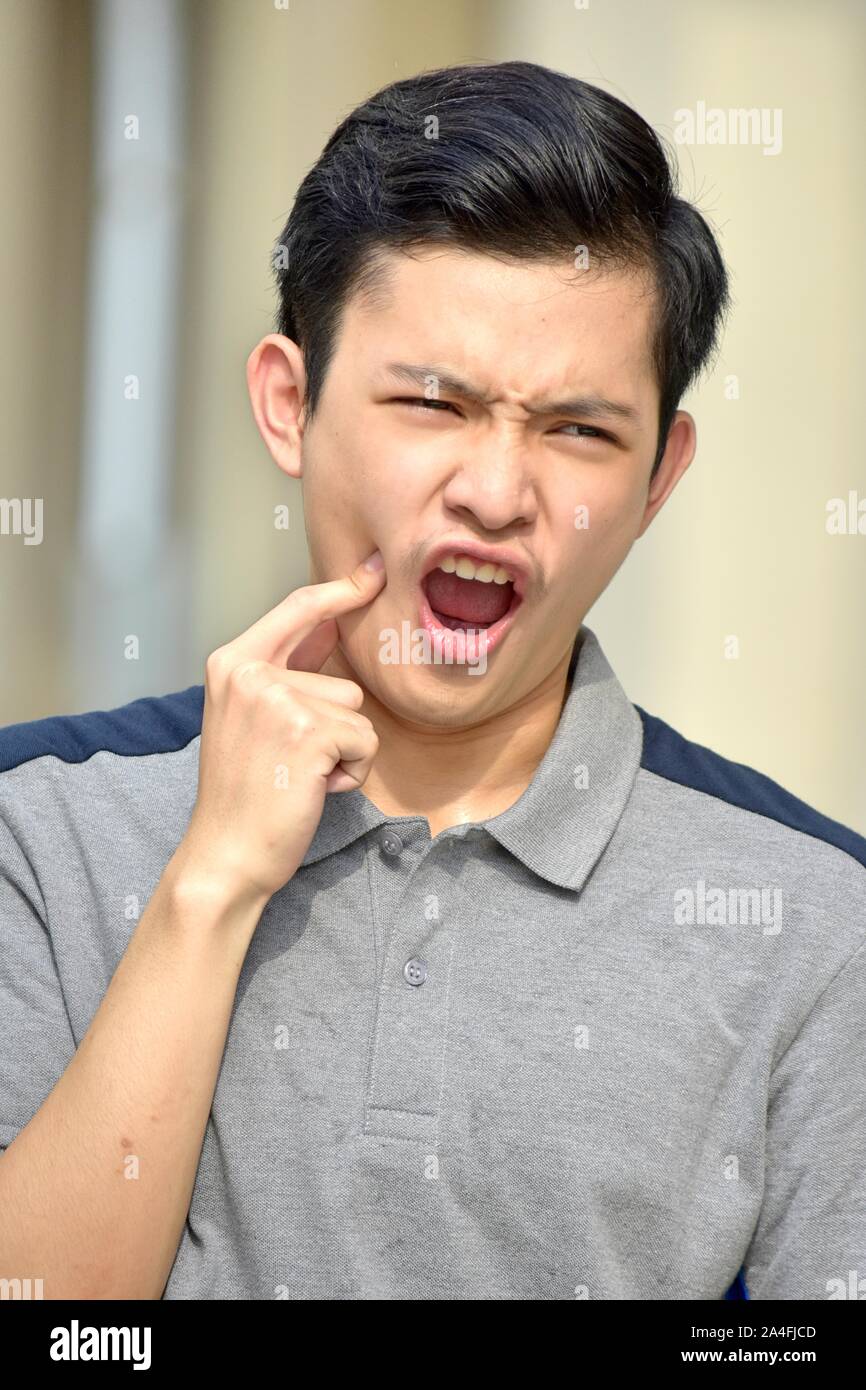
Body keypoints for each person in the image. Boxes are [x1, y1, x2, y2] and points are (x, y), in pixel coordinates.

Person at [1, 60, 863, 1302]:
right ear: (289, 403)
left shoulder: (816, 924)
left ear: (658, 478)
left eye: (578, 429)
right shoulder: (39, 826)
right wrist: (209, 886)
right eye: (429, 402)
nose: (497, 492)